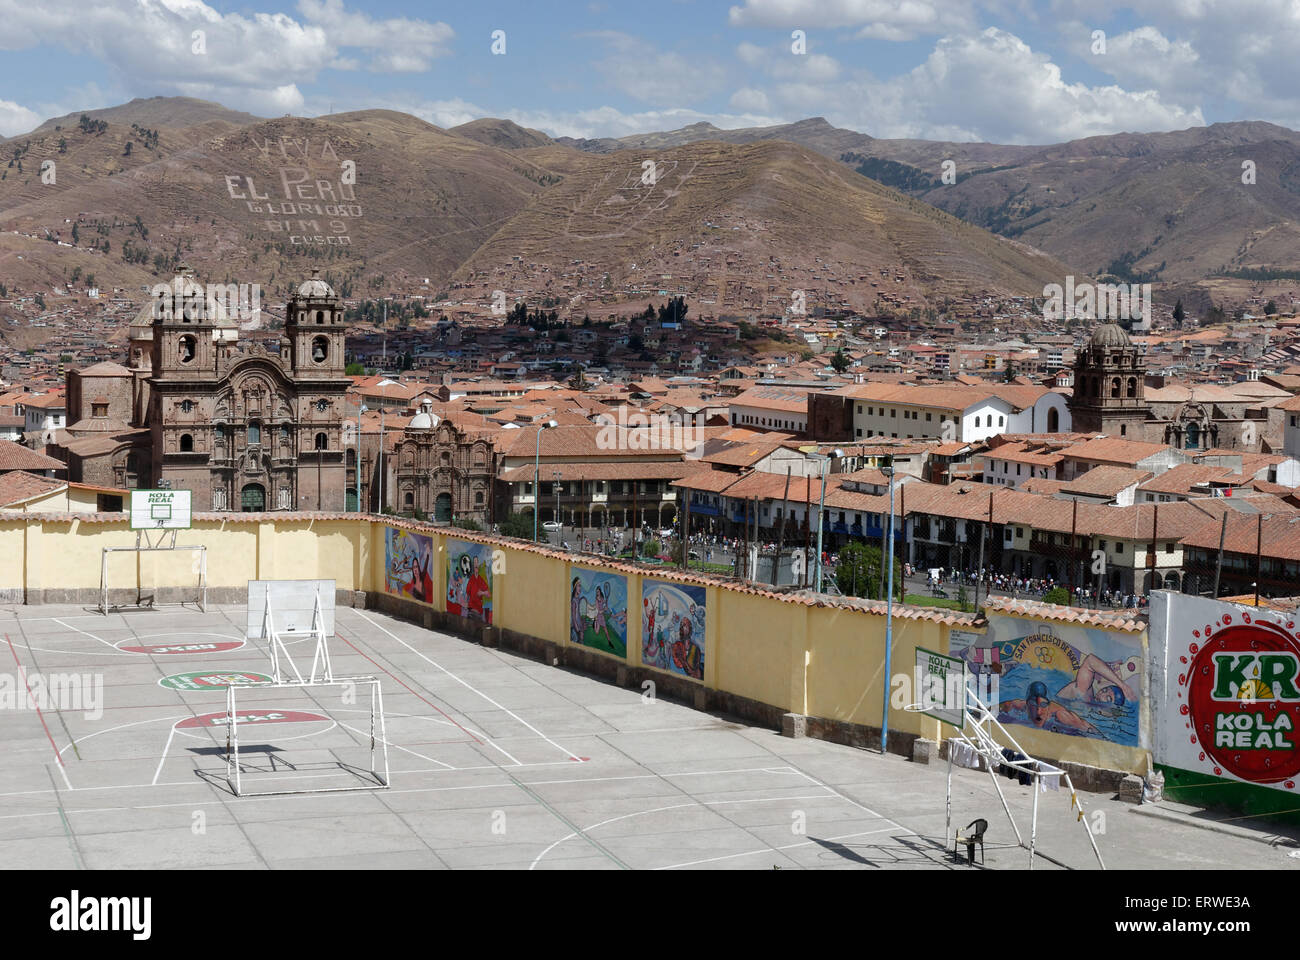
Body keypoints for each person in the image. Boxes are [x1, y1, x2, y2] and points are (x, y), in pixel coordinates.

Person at [999, 681, 1098, 736]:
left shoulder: (1060, 716)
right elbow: (992, 709)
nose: (1038, 711)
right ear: (1027, 704)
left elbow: (1090, 730)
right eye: (1033, 704)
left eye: (1043, 705)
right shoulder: (1018, 706)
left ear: (1048, 705)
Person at [1056, 653, 1134, 706]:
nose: (1102, 694)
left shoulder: (1091, 706)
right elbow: (1090, 660)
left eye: (1108, 698)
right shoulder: (1084, 692)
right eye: (1104, 690)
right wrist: (1122, 685)